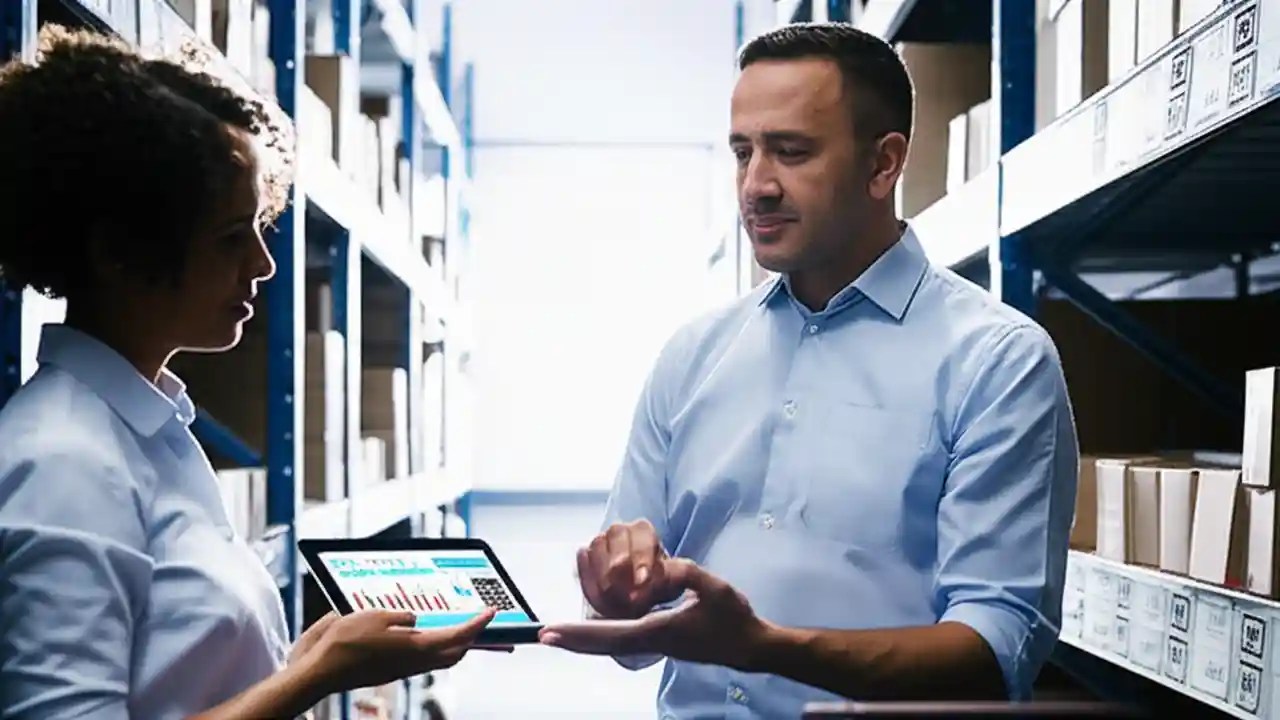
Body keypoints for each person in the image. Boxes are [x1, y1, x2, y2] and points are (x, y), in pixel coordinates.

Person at [538, 23, 1080, 719]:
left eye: (791, 152)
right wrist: (617, 592)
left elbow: (993, 652)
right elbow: (633, 637)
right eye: (743, 152)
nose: (756, 186)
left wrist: (765, 646)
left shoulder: (998, 361)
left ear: (883, 165)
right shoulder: (692, 356)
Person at [0, 26, 494, 719]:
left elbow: (176, 678)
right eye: (232, 237)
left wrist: (306, 656)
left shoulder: (151, 430)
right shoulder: (62, 462)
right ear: (118, 250)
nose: (263, 265)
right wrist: (316, 675)